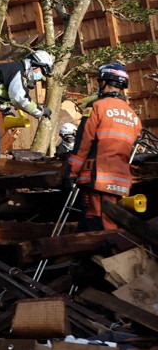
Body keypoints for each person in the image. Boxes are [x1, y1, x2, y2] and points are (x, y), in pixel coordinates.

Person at [66, 63, 141, 232]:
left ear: (105, 82)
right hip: (120, 181)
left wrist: (70, 172)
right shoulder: (133, 116)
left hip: (96, 178)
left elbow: (82, 144)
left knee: (95, 225)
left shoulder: (96, 107)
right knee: (111, 223)